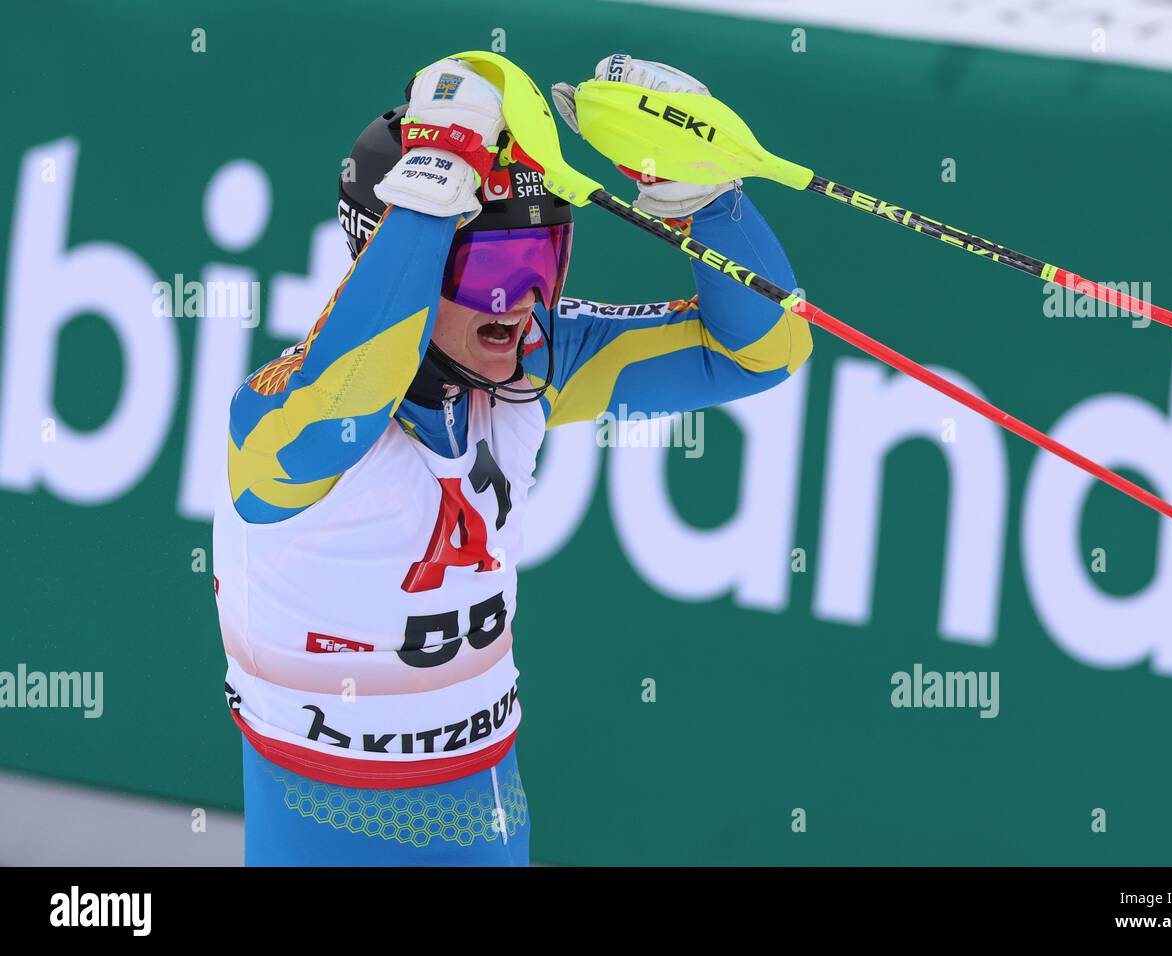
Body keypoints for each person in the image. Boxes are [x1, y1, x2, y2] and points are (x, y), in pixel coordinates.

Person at [213, 54, 811, 866]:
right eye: (497, 272)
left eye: (543, 263)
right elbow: (353, 399)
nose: (525, 306)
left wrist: (706, 200)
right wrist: (430, 188)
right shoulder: (279, 416)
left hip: (481, 817)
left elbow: (765, 351)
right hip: (325, 823)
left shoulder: (533, 371)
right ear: (404, 262)